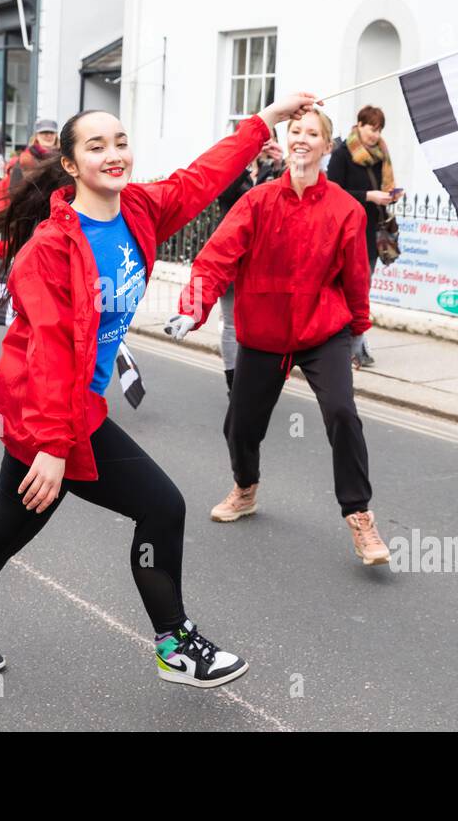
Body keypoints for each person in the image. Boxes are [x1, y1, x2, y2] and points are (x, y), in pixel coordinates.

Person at [0, 92, 316, 686]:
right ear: (70, 165)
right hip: (43, 410)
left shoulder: (139, 210)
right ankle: (176, 645)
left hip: (75, 409)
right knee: (159, 506)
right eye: (96, 146)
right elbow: (48, 354)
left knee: (3, 532)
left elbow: (198, 180)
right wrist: (50, 445)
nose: (114, 153)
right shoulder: (49, 249)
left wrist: (264, 122)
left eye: (120, 141)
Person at [167, 109, 389, 568]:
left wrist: (358, 330)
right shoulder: (258, 201)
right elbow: (215, 259)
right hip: (264, 332)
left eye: (313, 134)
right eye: (295, 132)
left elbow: (356, 277)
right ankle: (246, 487)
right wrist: (193, 308)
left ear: (328, 147)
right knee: (241, 425)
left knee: (343, 414)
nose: (302, 140)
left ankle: (359, 514)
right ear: (287, 142)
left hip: (322, 330)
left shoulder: (346, 209)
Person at [325, 105, 400, 367]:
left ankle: (356, 344)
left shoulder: (381, 156)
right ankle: (351, 346)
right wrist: (369, 196)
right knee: (348, 289)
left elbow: (379, 188)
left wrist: (389, 195)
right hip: (346, 231)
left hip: (370, 233)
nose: (375, 134)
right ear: (359, 124)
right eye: (371, 128)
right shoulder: (342, 155)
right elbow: (332, 193)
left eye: (379, 130)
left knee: (362, 290)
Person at [214, 135, 286, 392]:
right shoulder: (233, 170)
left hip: (264, 262)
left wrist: (279, 166)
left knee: (262, 323)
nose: (264, 145)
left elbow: (285, 202)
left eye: (270, 140)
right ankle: (234, 382)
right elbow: (223, 194)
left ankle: (255, 376)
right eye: (260, 140)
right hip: (232, 258)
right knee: (232, 323)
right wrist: (246, 159)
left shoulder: (273, 172)